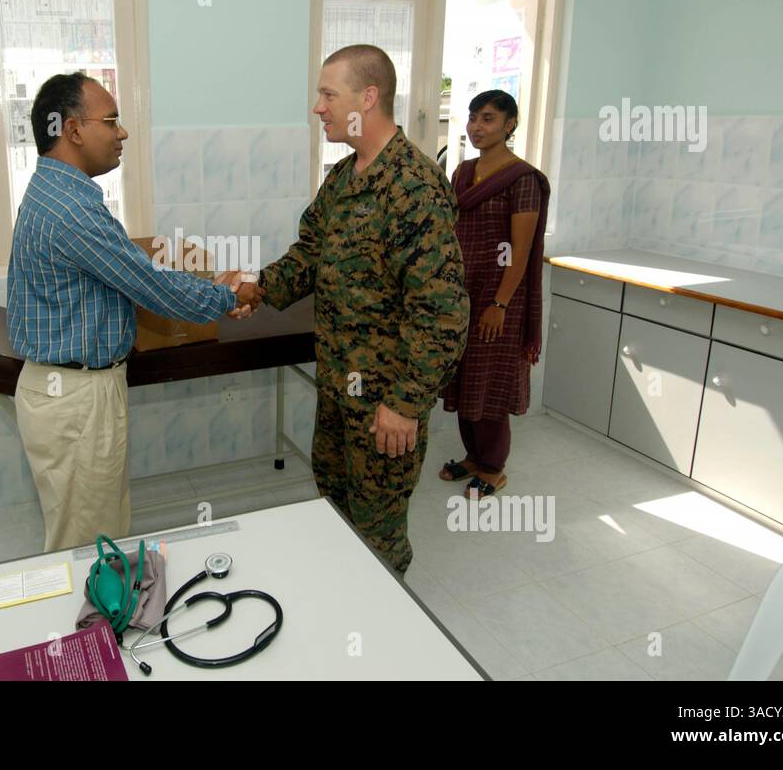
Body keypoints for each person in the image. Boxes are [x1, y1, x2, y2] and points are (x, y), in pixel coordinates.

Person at [224, 45, 469, 573]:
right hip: (339, 389)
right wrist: (256, 287)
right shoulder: (342, 179)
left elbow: (442, 314)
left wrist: (405, 403)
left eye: (328, 94)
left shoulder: (414, 188)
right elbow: (309, 256)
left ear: (369, 96)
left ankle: (380, 634)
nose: (318, 107)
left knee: (378, 533)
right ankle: (343, 619)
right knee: (334, 509)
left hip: (385, 402)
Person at [8, 72, 251, 551]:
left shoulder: (55, 192)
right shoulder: (71, 210)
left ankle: (103, 621)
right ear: (73, 129)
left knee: (97, 532)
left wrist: (216, 293)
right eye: (112, 121)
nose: (122, 133)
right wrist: (229, 296)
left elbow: (132, 278)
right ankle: (88, 628)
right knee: (86, 547)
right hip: (76, 399)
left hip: (69, 392)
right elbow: (150, 285)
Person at [439, 90, 550, 498]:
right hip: (461, 295)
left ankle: (493, 467)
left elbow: (520, 252)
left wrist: (499, 304)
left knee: (490, 384)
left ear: (510, 125)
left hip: (500, 298)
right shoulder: (463, 173)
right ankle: (473, 457)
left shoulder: (522, 179)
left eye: (487, 118)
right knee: (465, 377)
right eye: (472, 118)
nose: (476, 127)